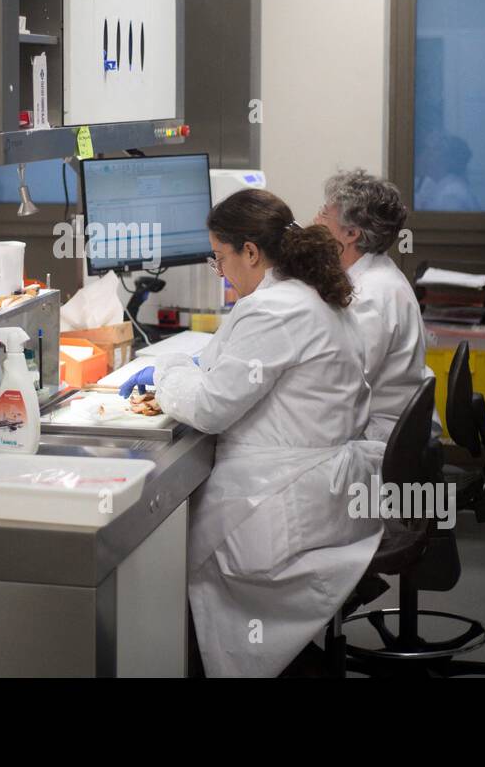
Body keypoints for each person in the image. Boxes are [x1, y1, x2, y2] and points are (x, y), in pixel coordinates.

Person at [118, 188, 384, 677]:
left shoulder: (276, 309)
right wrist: (191, 367)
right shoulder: (301, 293)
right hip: (317, 481)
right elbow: (232, 367)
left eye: (220, 259)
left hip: (288, 501)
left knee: (167, 561)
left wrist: (162, 374)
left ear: (251, 252)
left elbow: (213, 406)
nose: (220, 272)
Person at [315, 168, 440, 442]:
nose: (315, 221)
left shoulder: (369, 297)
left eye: (324, 214)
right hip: (390, 423)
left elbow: (341, 383)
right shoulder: (378, 274)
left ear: (350, 233)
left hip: (382, 439)